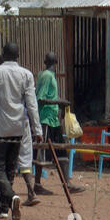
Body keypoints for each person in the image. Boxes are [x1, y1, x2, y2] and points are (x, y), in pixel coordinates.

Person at [0, 42, 42, 220]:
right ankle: (3, 209)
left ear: (3, 54)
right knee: (10, 168)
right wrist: (37, 129)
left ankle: (11, 196)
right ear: (17, 57)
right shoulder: (26, 74)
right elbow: (32, 104)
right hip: (18, 128)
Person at [34, 52, 84, 195]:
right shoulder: (47, 76)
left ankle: (67, 183)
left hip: (53, 119)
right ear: (56, 62)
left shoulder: (46, 75)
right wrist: (59, 102)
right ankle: (37, 184)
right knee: (41, 151)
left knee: (61, 149)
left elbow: (50, 96)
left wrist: (60, 102)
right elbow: (41, 99)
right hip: (45, 119)